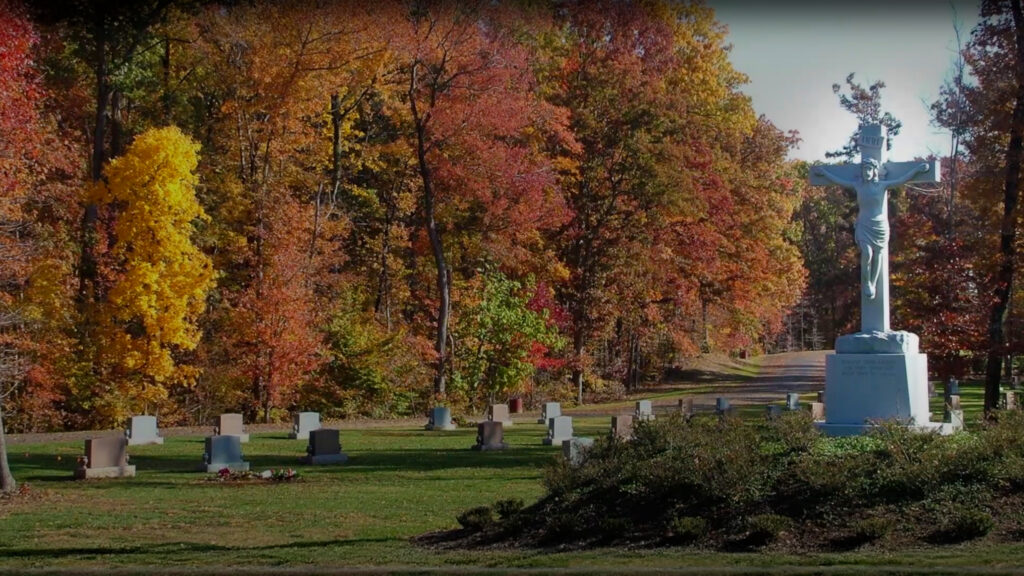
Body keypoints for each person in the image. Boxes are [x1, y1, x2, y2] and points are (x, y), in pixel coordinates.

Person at [813, 158, 930, 299]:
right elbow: (839, 181)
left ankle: (872, 283)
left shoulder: (881, 186)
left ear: (874, 171)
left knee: (878, 255)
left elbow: (901, 180)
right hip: (864, 224)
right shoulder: (858, 186)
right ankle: (867, 282)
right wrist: (824, 173)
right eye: (864, 169)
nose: (866, 172)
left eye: (869, 169)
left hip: (879, 226)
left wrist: (916, 170)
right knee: (867, 253)